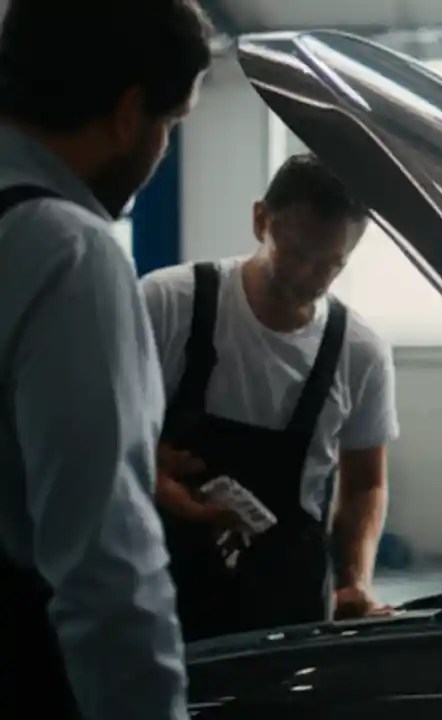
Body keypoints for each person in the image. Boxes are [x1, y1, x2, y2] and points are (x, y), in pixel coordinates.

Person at [0, 1, 213, 718]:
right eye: (171, 124)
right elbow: (106, 563)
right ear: (129, 114)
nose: (162, 149)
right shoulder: (69, 250)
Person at [142, 152, 399, 642]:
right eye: (299, 252)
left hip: (287, 600)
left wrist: (353, 582)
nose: (312, 277)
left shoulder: (359, 350)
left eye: (333, 264)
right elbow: (92, 435)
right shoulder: (168, 304)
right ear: (261, 219)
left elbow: (366, 483)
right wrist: (149, 474)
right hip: (158, 584)